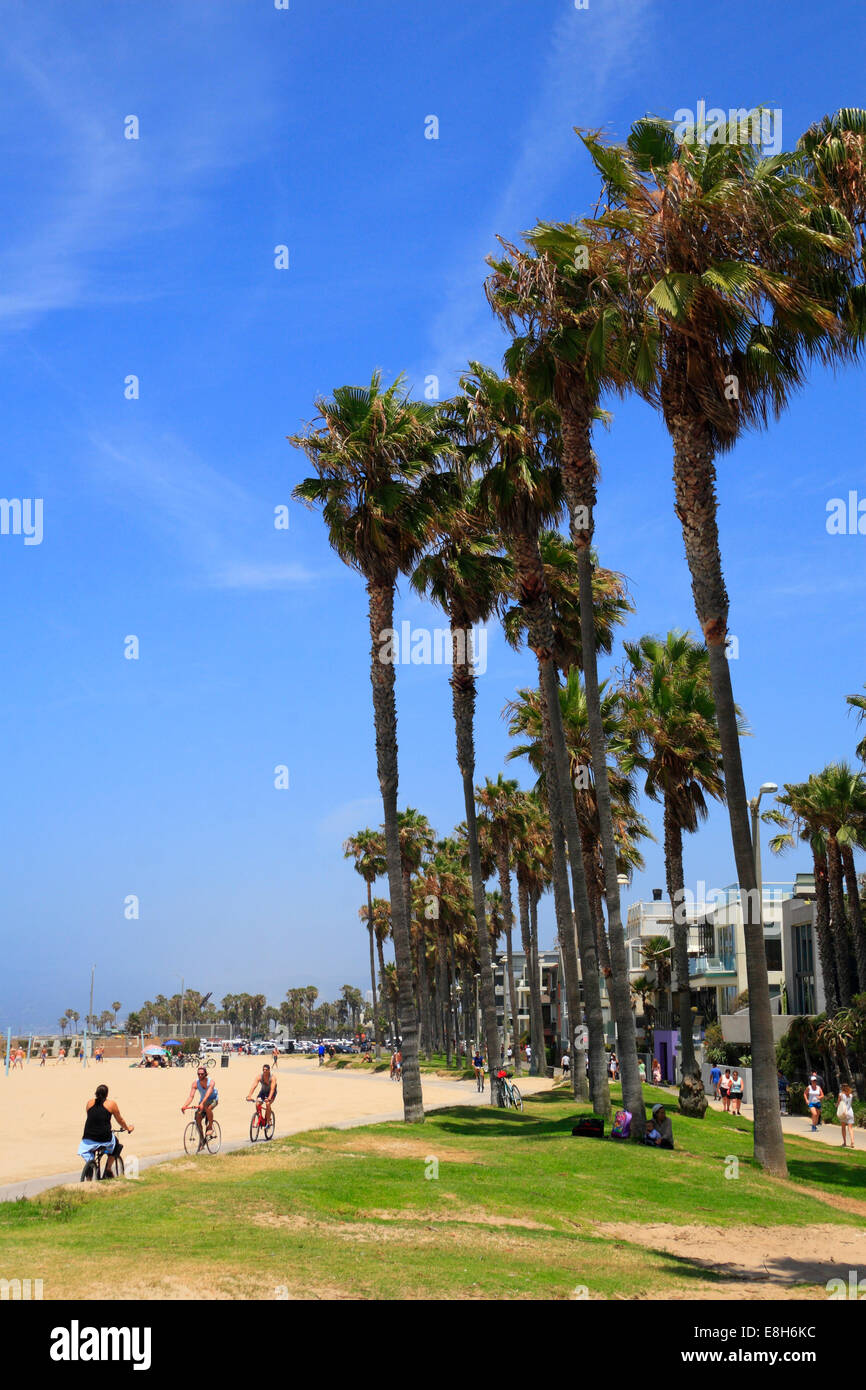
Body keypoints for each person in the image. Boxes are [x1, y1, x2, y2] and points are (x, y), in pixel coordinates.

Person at [78, 1083, 133, 1177]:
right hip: (104, 1137)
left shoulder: (89, 1103)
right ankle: (108, 1169)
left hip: (87, 1137)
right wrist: (128, 1128)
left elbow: (93, 1118)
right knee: (116, 1145)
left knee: (91, 1156)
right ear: (107, 1094)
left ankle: (89, 1174)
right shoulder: (111, 1104)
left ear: (96, 1093)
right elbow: (120, 1120)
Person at [182, 1066, 219, 1151]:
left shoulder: (211, 1082)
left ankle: (210, 1126)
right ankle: (202, 1141)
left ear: (205, 1074)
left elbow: (207, 1094)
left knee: (207, 1107)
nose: (200, 1075)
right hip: (203, 1101)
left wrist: (202, 1103)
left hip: (213, 1099)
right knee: (197, 1117)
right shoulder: (195, 1083)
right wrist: (185, 1105)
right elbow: (191, 1096)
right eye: (198, 1074)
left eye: (202, 1074)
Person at [246, 1063, 277, 1129]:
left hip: (271, 1093)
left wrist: (269, 1098)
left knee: (268, 1104)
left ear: (269, 1070)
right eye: (263, 1070)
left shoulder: (272, 1078)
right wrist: (249, 1095)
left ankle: (268, 1121)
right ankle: (260, 1118)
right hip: (263, 1092)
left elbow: (272, 1089)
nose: (264, 1071)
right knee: (257, 1104)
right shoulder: (259, 1077)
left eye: (266, 1070)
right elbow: (254, 1086)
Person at [837, 1083, 856, 1149]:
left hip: (843, 1112)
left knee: (843, 1127)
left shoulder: (841, 1095)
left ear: (842, 1088)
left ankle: (845, 1142)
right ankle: (852, 1141)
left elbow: (838, 1103)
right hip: (850, 1112)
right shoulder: (851, 1095)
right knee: (850, 1128)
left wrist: (836, 1106)